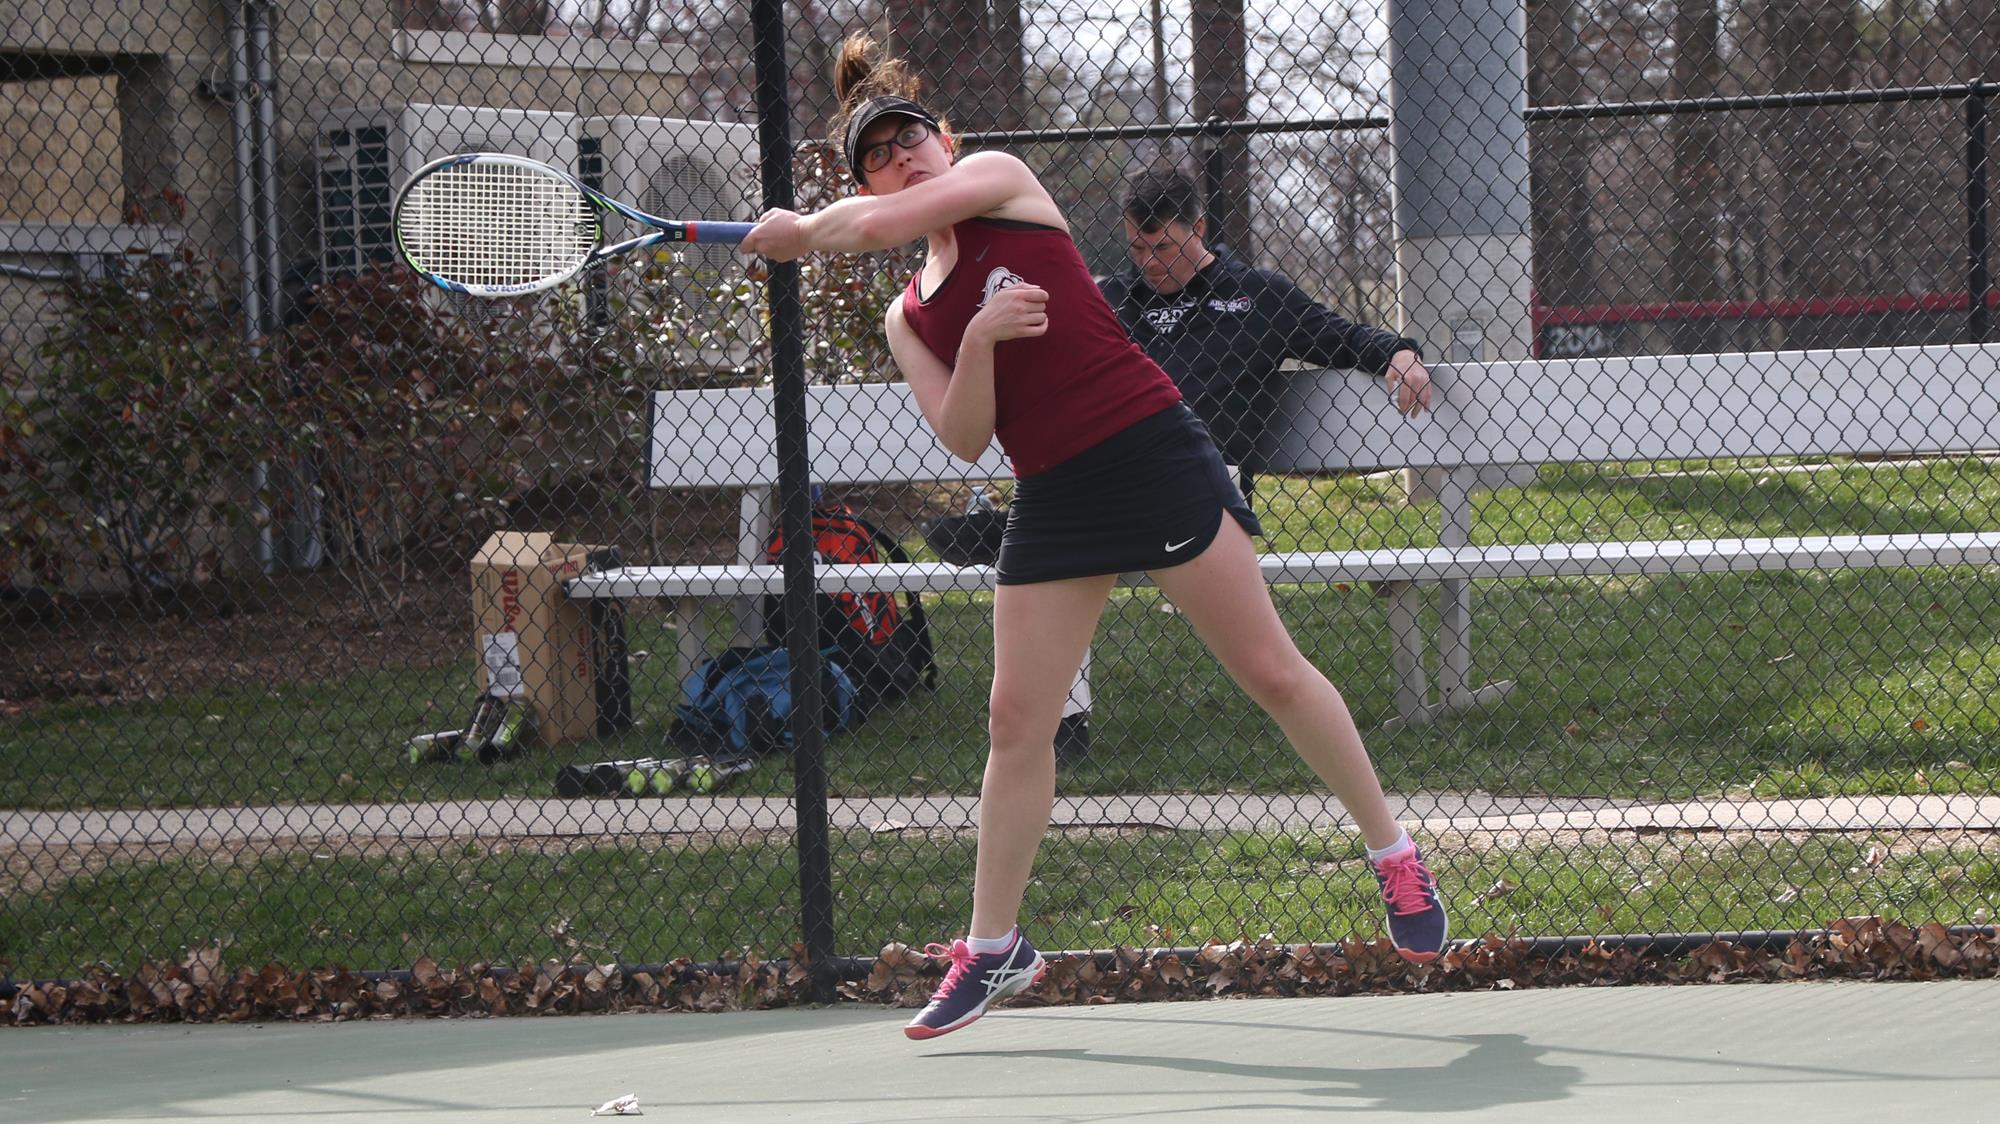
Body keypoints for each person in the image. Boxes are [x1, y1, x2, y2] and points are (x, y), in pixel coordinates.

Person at [742, 34, 1445, 1042]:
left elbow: (880, 222)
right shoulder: (910, 314)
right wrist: (977, 336)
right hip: (1055, 492)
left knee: (1271, 671)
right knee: (1012, 721)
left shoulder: (998, 180)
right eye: (877, 154)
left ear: (943, 144)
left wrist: (806, 231)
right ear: (863, 174)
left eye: (910, 140)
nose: (901, 160)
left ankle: (1392, 854)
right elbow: (966, 433)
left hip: (1148, 450)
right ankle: (991, 948)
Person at [1101, 169, 1432, 504]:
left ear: (1198, 228)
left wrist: (1400, 352)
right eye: (1137, 248)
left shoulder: (1257, 297)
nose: (1149, 262)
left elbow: (1343, 337)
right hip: (1116, 486)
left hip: (1205, 494)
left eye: (1163, 247)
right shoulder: (1109, 301)